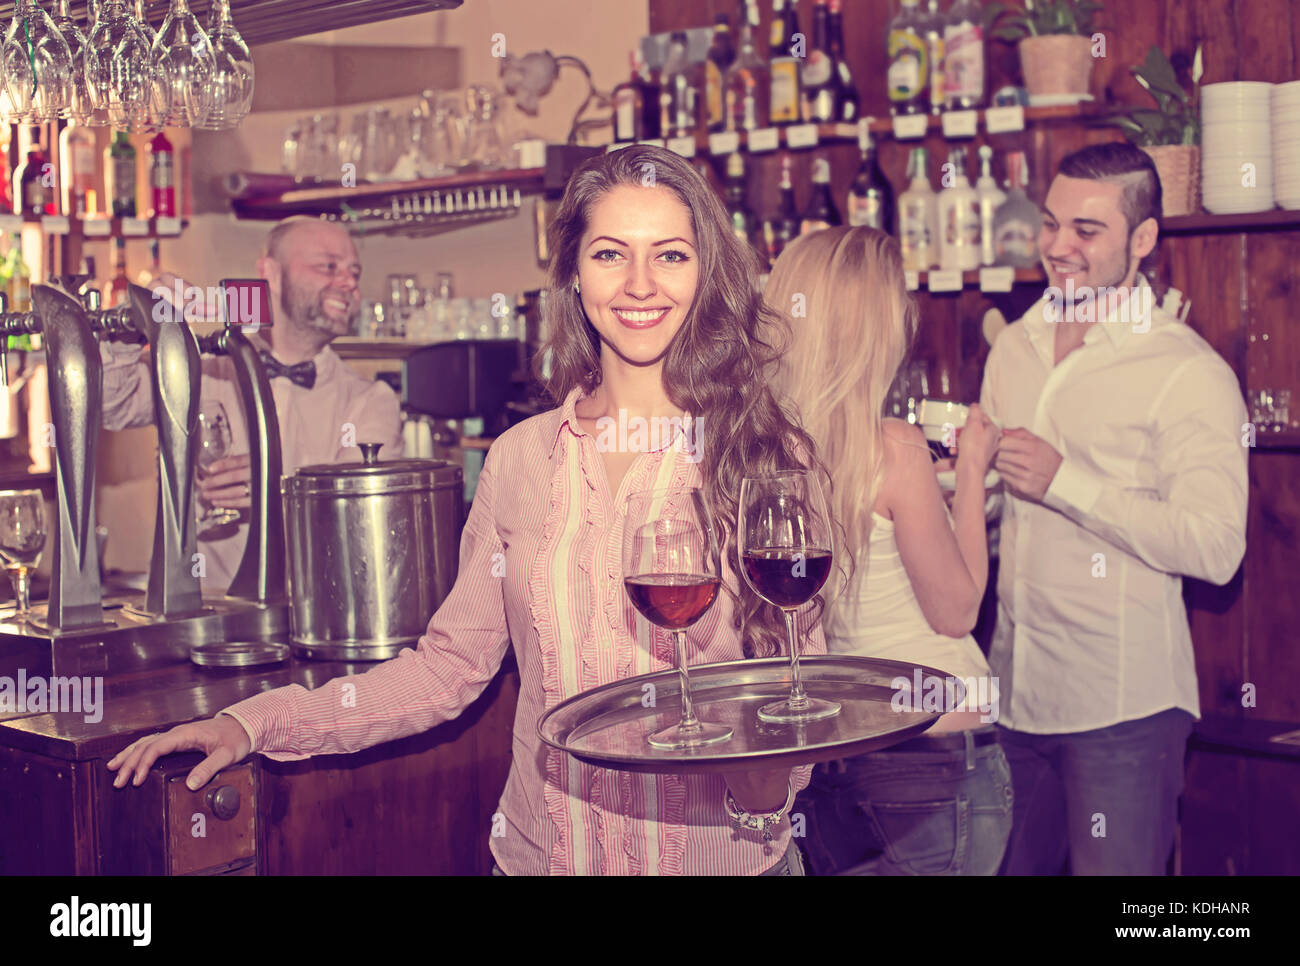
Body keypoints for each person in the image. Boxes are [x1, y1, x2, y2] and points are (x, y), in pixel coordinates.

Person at [106, 144, 831, 876]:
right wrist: (254, 722)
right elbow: (446, 671)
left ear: (705, 273)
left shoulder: (764, 455)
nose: (640, 284)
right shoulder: (520, 460)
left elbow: (801, 692)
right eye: (611, 254)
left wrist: (765, 787)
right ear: (575, 276)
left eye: (670, 255)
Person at [980, 142, 1247, 875]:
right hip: (1012, 697)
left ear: (1144, 239)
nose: (1059, 248)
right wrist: (969, 492)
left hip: (1123, 712)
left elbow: (1217, 548)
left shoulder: (1186, 371)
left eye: (1087, 231)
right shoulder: (1015, 347)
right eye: (1050, 224)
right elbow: (1001, 511)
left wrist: (1069, 483)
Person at [767, 226, 1011, 875]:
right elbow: (956, 610)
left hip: (841, 752)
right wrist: (971, 473)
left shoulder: (773, 451)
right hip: (935, 744)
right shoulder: (895, 446)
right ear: (878, 324)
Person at [100, 217, 404, 591]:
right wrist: (136, 320)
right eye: (328, 266)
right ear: (271, 275)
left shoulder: (371, 401)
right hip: (200, 620)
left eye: (354, 272)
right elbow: (112, 404)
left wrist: (271, 492)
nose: (349, 282)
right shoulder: (204, 368)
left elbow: (355, 523)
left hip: (313, 621)